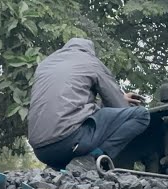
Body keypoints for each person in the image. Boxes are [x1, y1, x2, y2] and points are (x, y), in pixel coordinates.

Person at [27, 38, 151, 172]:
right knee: (141, 115)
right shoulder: (91, 61)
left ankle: (57, 168)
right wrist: (121, 99)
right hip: (68, 141)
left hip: (41, 151)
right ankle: (92, 159)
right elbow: (118, 106)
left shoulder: (45, 65)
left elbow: (76, 106)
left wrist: (119, 98)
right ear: (90, 51)